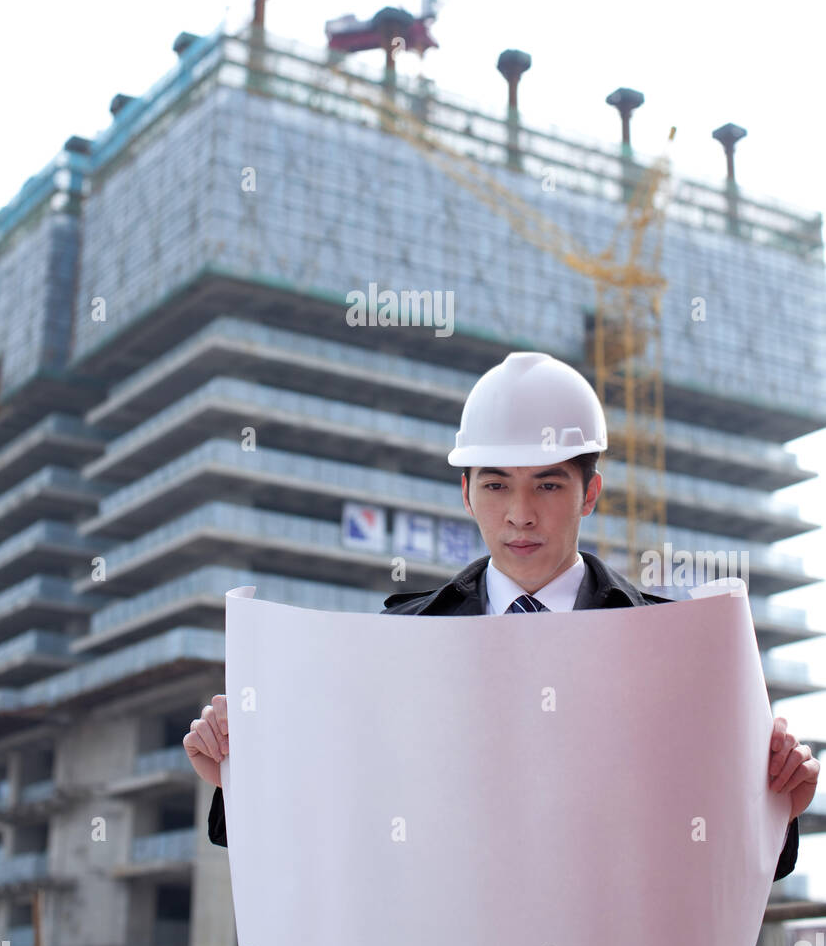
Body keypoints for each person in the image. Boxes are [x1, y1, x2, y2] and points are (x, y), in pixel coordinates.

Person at [185, 352, 818, 880]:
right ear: (466, 493)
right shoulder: (399, 640)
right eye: (495, 485)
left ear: (589, 494)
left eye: (547, 484)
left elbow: (730, 852)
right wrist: (237, 775)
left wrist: (776, 804)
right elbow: (338, 816)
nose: (519, 513)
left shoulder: (676, 646)